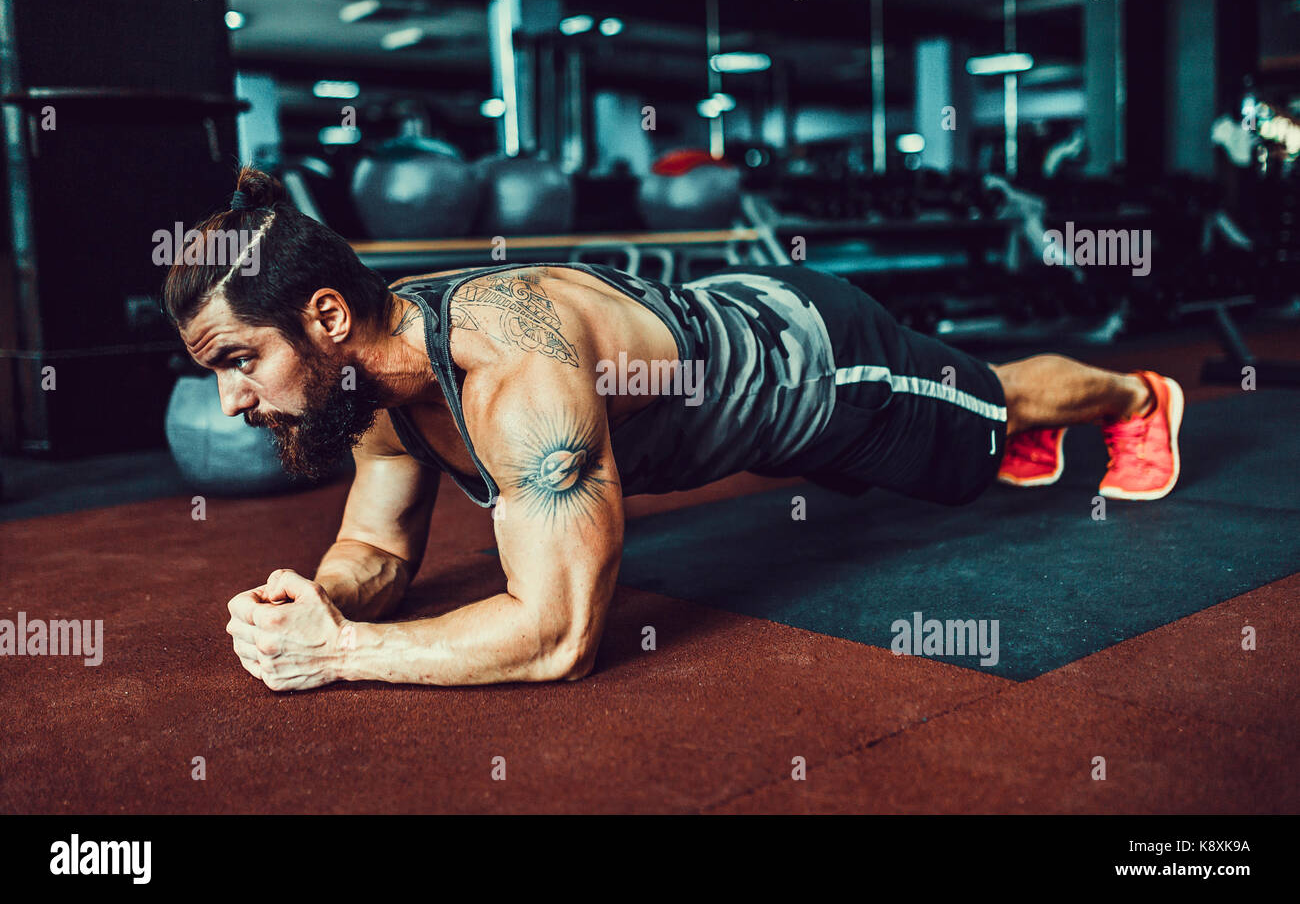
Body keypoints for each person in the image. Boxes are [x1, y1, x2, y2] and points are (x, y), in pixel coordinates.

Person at [164, 167, 1182, 691]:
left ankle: (1135, 397)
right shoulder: (376, 375)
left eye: (238, 360)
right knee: (975, 433)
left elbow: (557, 638)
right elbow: (377, 542)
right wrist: (311, 599)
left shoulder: (516, 375)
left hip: (820, 366)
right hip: (735, 342)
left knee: (990, 408)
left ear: (327, 318)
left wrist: (340, 654)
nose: (231, 402)